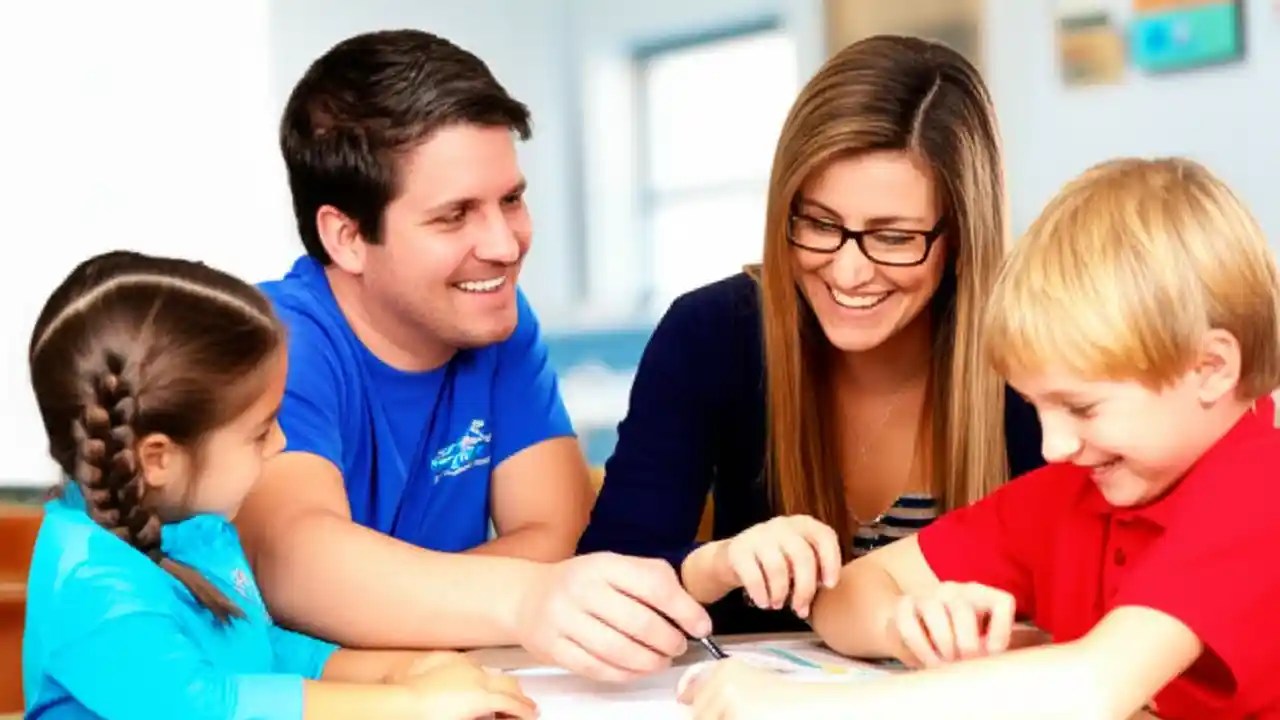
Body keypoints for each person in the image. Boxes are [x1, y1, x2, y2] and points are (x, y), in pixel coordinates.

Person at [680, 157, 1280, 719]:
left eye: (1081, 406)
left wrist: (798, 708)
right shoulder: (1071, 492)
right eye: (1035, 406)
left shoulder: (1261, 485)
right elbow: (849, 593)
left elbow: (1093, 686)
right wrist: (905, 623)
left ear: (1210, 369)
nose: (1053, 445)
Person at [235, 29, 711, 683]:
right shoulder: (273, 339)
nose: (505, 245)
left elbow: (557, 533)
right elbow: (297, 565)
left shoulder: (498, 323)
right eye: (455, 215)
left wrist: (390, 601)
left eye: (511, 200)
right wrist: (519, 601)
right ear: (346, 236)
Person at [578, 34, 1043, 635]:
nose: (848, 271)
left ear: (961, 240)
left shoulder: (1031, 355)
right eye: (820, 224)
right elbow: (605, 576)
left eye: (895, 237)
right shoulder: (712, 334)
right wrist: (716, 564)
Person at [22, 251, 538, 720]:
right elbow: (202, 706)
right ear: (158, 458)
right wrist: (408, 704)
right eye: (261, 431)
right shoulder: (91, 586)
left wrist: (404, 670)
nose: (281, 444)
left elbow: (261, 651)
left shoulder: (191, 530)